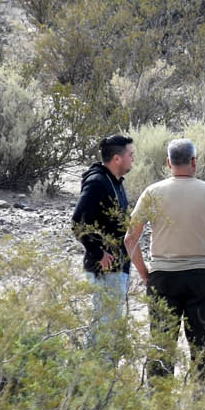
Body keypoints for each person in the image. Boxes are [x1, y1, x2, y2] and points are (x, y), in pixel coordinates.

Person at [124, 138, 205, 383]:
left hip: (163, 276)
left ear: (168, 163)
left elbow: (130, 238)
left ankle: (160, 403)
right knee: (202, 343)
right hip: (202, 276)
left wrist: (144, 272)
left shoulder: (152, 193)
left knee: (162, 344)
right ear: (194, 162)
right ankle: (202, 406)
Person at [71, 133, 135, 335]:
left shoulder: (114, 182)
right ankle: (95, 366)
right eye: (130, 154)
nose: (133, 158)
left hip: (118, 266)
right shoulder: (97, 182)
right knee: (104, 328)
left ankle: (105, 366)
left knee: (111, 326)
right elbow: (77, 221)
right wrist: (98, 253)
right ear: (117, 158)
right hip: (105, 269)